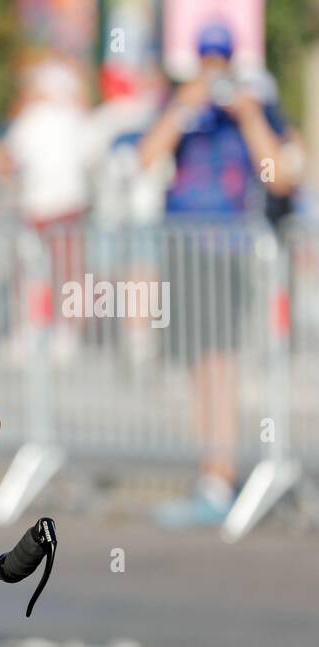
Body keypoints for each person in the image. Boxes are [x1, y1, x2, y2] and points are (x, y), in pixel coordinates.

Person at [139, 22, 296, 528]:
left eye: (220, 60)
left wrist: (249, 115)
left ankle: (220, 476)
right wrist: (185, 107)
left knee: (219, 362)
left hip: (229, 251)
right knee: (195, 364)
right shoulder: (182, 103)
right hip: (183, 251)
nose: (214, 71)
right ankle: (210, 472)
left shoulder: (255, 106)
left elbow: (284, 173)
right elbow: (145, 158)